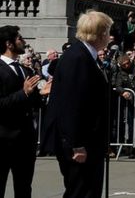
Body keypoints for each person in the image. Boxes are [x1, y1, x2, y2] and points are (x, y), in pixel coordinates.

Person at [42, 11, 112, 198]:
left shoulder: (88, 56)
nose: (109, 37)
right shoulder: (78, 58)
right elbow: (71, 105)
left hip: (89, 140)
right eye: (107, 32)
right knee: (81, 192)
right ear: (100, 33)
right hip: (79, 143)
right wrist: (77, 144)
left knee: (88, 190)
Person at [0, 26, 40, 198]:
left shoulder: (25, 69)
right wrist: (23, 93)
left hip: (25, 139)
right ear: (9, 44)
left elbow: (33, 100)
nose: (23, 41)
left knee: (24, 187)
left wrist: (43, 92)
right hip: (3, 139)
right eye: (19, 38)